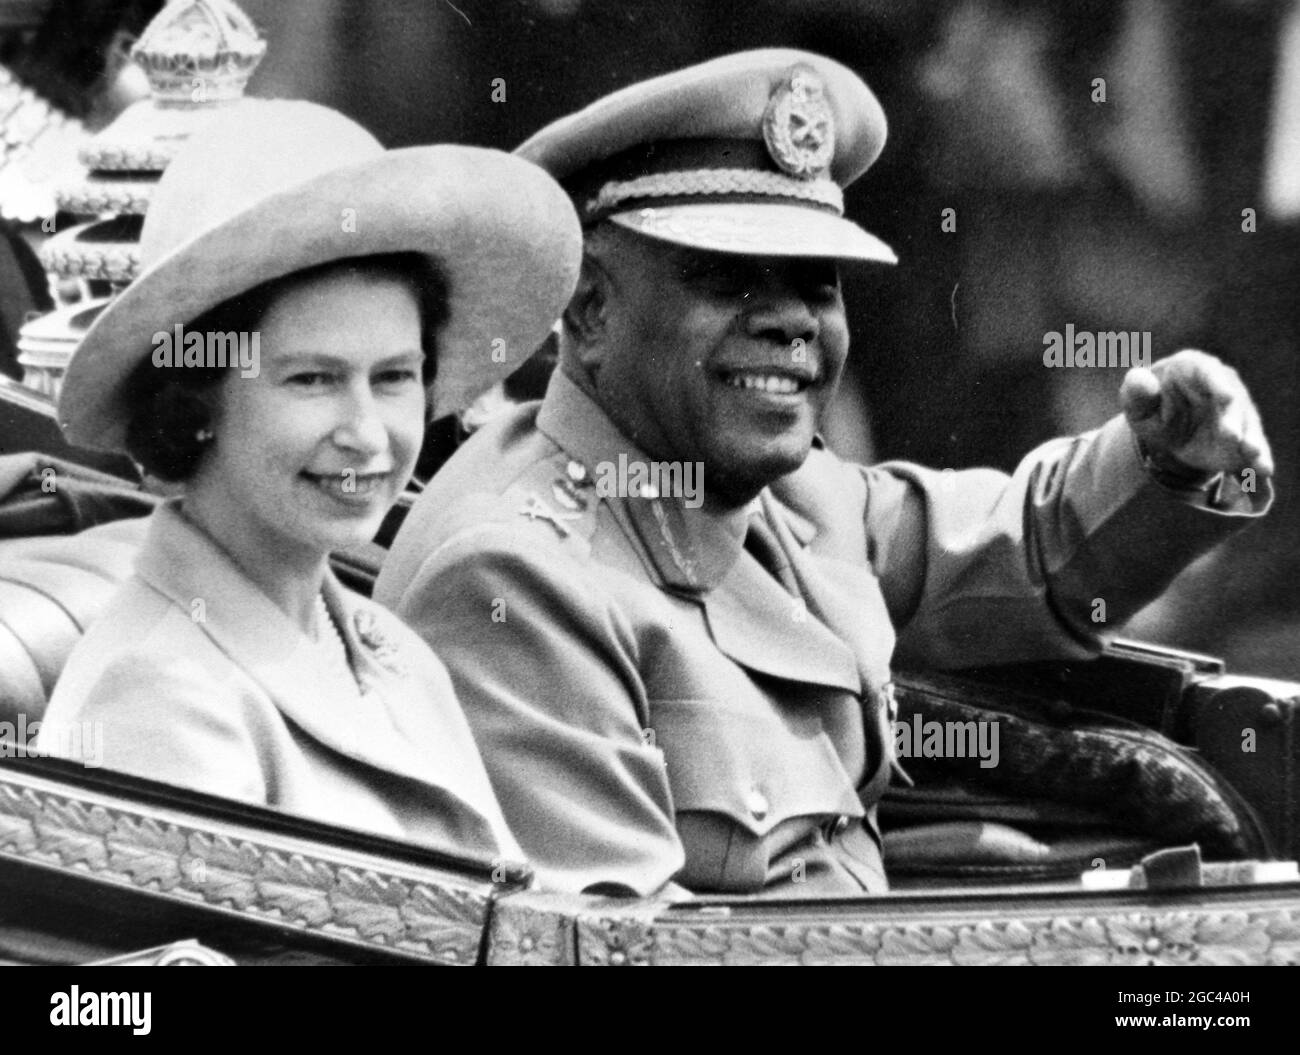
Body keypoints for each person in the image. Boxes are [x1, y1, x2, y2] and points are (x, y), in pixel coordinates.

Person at [376, 49, 1274, 898]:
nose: (791, 324)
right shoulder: (515, 577)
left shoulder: (784, 491)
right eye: (729, 281)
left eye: (817, 284)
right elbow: (621, 951)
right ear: (592, 308)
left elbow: (1019, 543)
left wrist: (1162, 455)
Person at [39, 98, 582, 864]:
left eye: (394, 377)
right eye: (312, 379)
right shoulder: (159, 693)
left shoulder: (392, 650)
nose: (366, 432)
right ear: (197, 400)